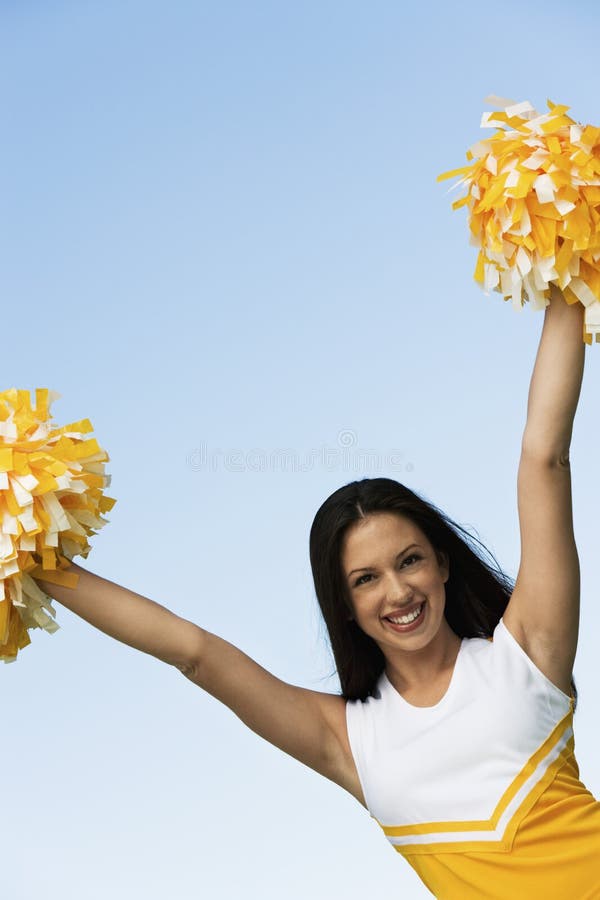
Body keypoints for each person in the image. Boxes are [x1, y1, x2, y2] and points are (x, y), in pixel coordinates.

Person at [35, 286, 600, 899]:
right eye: (366, 579)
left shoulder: (527, 654)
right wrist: (31, 557)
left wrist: (569, 254)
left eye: (409, 561)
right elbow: (192, 651)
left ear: (442, 564)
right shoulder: (348, 740)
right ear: (347, 607)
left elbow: (544, 458)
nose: (398, 591)